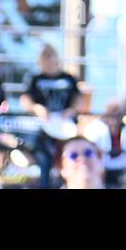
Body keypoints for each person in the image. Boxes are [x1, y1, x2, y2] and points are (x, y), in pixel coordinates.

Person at [20, 44, 83, 188]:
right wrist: (37, 108)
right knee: (44, 157)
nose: (50, 61)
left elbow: (79, 99)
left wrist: (72, 110)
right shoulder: (36, 79)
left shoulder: (68, 78)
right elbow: (26, 99)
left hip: (65, 126)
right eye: (46, 58)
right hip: (44, 126)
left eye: (52, 57)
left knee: (68, 157)